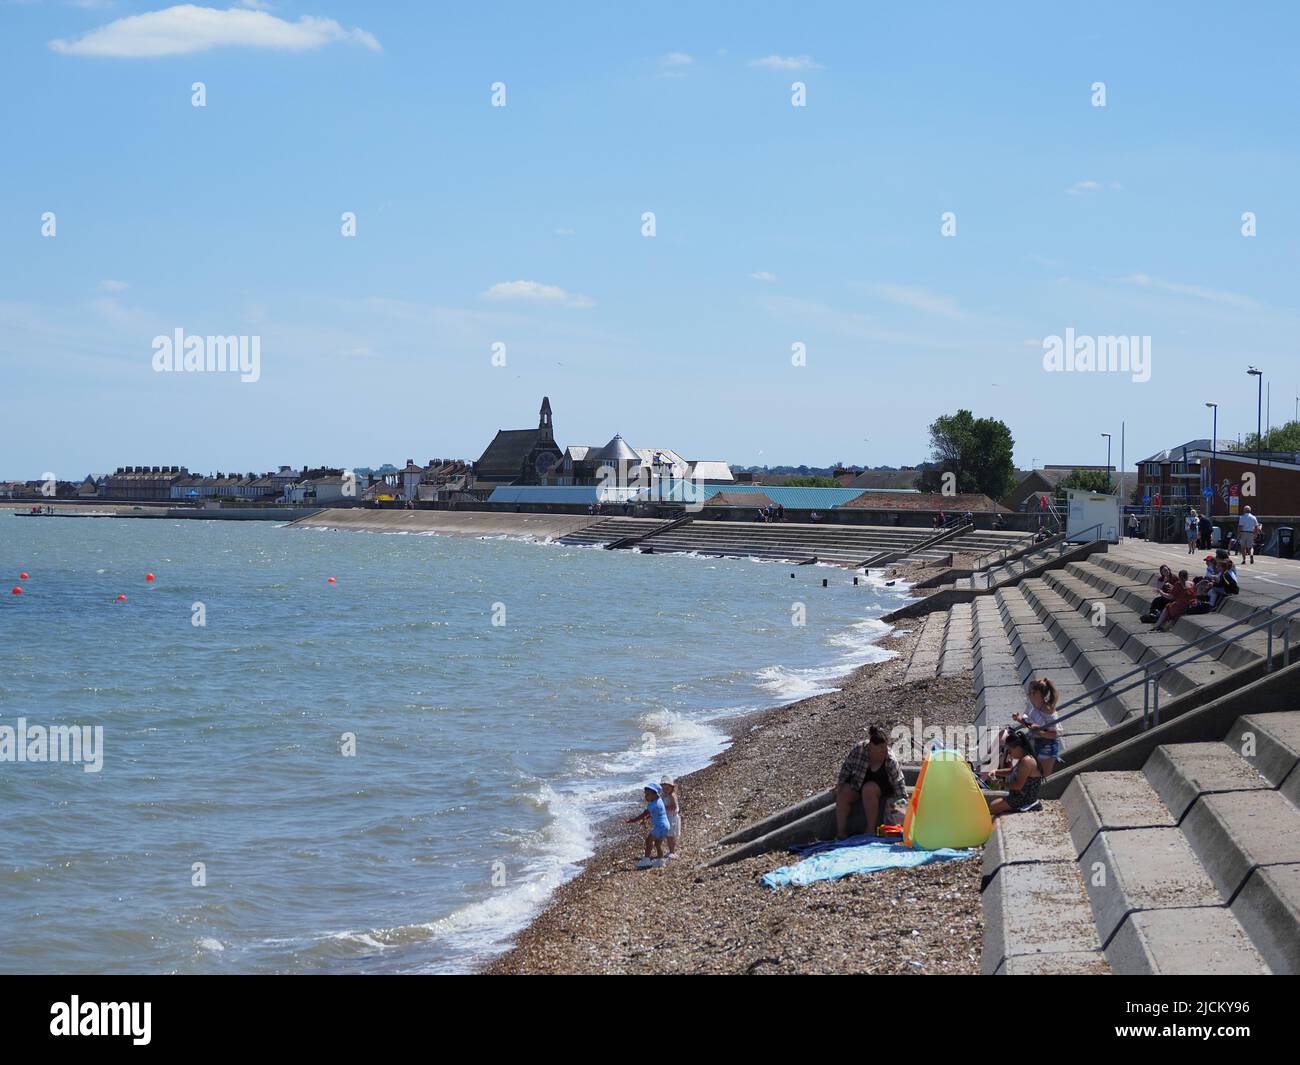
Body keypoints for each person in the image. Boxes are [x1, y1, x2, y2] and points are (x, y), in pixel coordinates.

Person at [834, 725, 908, 839]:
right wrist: (840, 784)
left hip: (880, 787)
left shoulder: (890, 760)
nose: (884, 752)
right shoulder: (859, 749)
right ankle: (840, 832)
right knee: (843, 793)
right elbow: (846, 768)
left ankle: (870, 829)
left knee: (868, 789)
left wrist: (903, 806)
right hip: (859, 782)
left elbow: (899, 782)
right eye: (880, 749)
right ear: (871, 747)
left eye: (885, 748)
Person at [987, 729, 1043, 818]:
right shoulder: (1023, 759)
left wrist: (1000, 783)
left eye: (1010, 750)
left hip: (1024, 799)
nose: (1009, 754)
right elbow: (1010, 771)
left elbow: (1018, 786)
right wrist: (995, 772)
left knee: (993, 807)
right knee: (992, 806)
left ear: (1017, 748)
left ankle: (1030, 807)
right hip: (1017, 796)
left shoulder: (1027, 761)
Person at [1011, 677, 1061, 776]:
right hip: (1034, 742)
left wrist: (1039, 731)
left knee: (1042, 776)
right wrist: (1018, 718)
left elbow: (1054, 734)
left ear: (1039, 694)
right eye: (1029, 692)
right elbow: (1028, 724)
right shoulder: (1032, 707)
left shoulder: (1048, 710)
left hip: (1047, 746)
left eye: (1032, 692)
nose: (1029, 695)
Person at [626, 783, 672, 866]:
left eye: (648, 794)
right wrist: (646, 818)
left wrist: (633, 820)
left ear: (655, 794)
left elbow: (645, 813)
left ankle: (646, 860)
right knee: (658, 844)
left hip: (660, 826)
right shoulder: (659, 800)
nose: (646, 796)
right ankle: (660, 860)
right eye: (645, 794)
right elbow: (655, 813)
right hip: (666, 826)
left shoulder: (652, 804)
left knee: (648, 840)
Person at [660, 776, 681, 857]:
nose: (665, 790)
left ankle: (672, 852)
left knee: (671, 835)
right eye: (663, 788)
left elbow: (675, 806)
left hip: (672, 818)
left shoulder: (672, 795)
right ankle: (671, 851)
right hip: (667, 817)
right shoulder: (663, 795)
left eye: (667, 788)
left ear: (672, 787)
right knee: (668, 835)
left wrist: (664, 808)